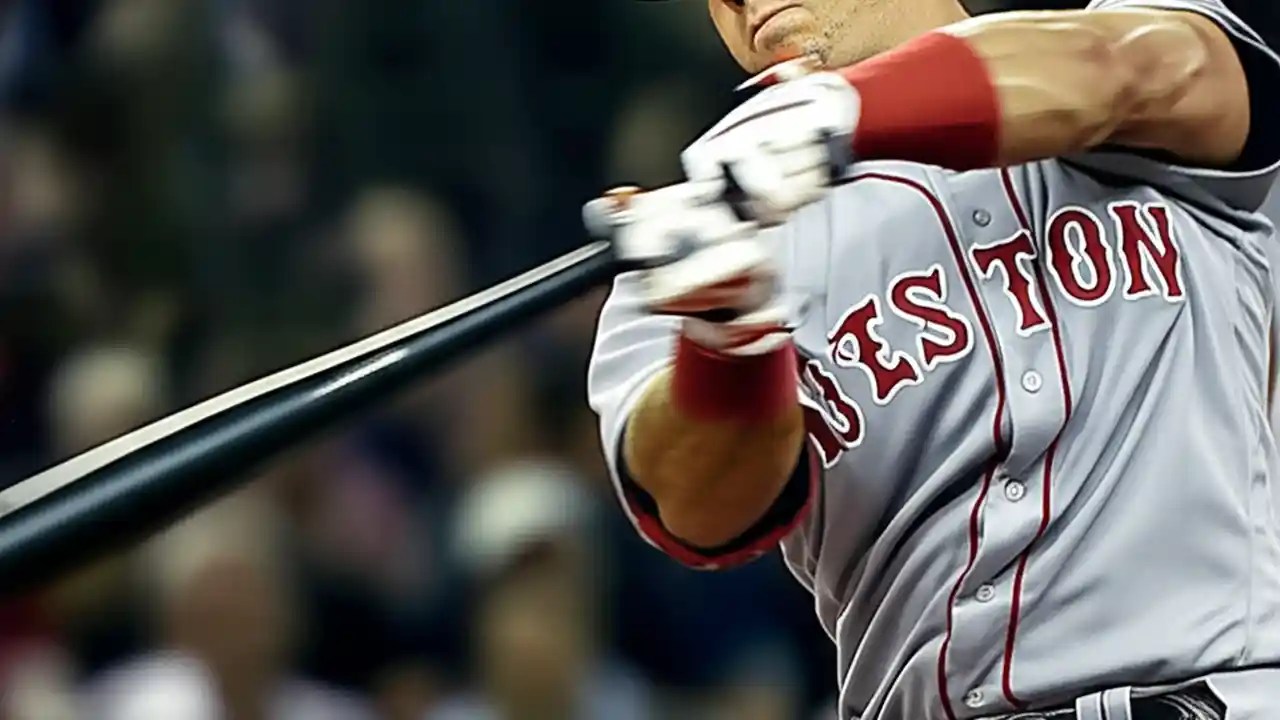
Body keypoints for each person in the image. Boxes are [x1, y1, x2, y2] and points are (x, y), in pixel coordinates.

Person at [586, 0, 1280, 718]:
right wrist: (726, 340)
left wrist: (848, 108)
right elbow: (703, 515)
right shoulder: (692, 242)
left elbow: (1147, 69)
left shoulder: (1110, 54)